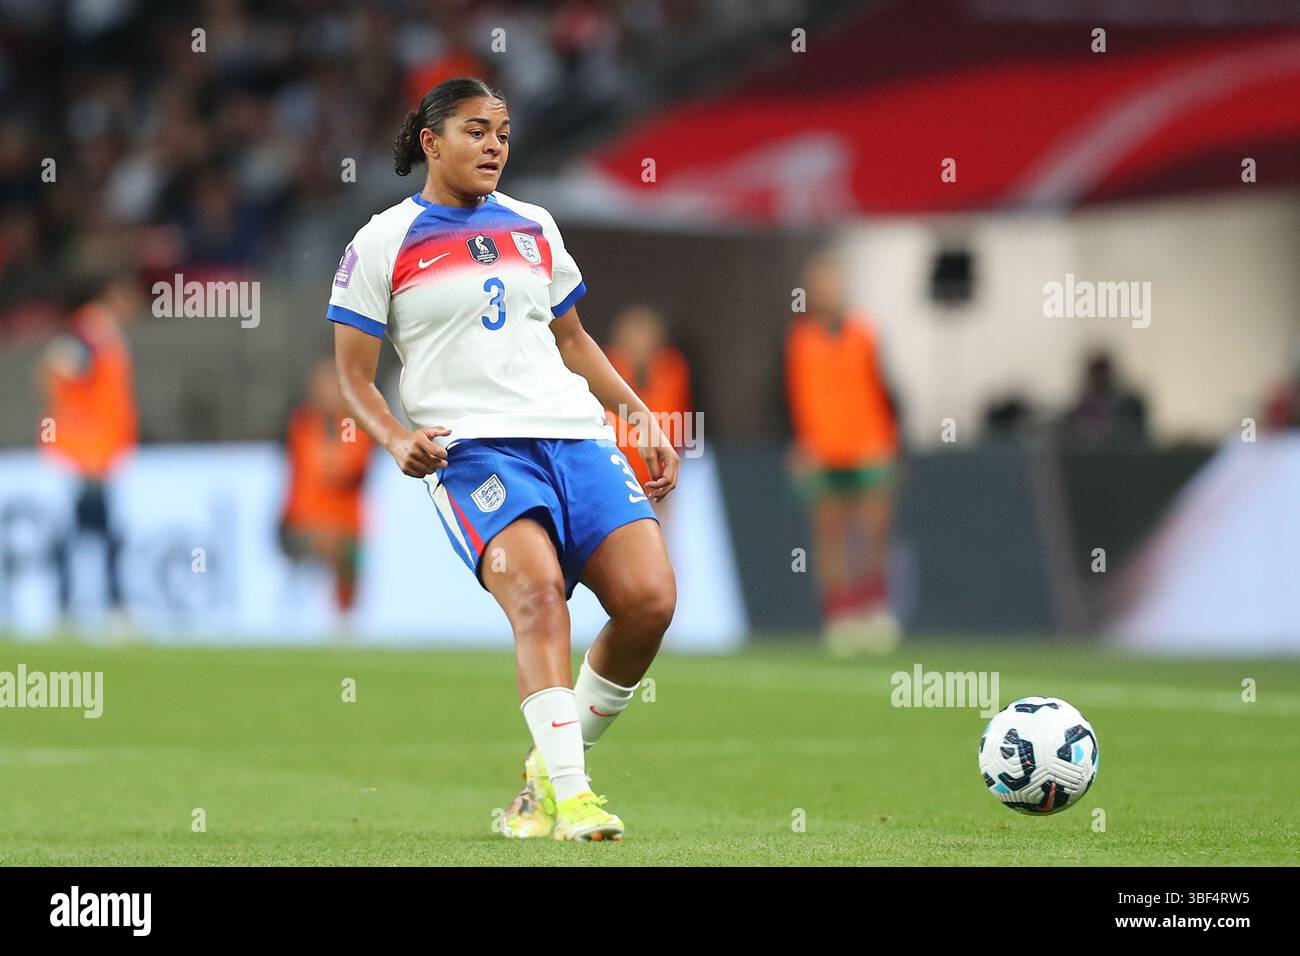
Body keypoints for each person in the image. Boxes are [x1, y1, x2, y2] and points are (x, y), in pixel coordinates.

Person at [329, 78, 678, 842]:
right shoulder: (382, 240)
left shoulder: (535, 224)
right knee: (539, 596)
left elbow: (573, 339)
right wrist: (394, 438)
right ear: (431, 141)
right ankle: (574, 796)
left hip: (574, 435)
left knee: (650, 600)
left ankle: (546, 770)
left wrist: (637, 413)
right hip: (474, 450)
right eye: (477, 131)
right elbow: (352, 377)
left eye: (504, 133)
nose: (494, 146)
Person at [785, 249, 900, 655]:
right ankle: (840, 615)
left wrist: (887, 444)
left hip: (868, 446)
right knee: (830, 535)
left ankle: (874, 607)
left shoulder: (864, 334)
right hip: (823, 450)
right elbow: (796, 398)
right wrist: (802, 446)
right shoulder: (801, 340)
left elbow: (885, 390)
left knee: (872, 533)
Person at [38, 275, 140, 632]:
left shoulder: (102, 332)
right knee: (95, 532)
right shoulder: (93, 330)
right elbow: (60, 360)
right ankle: (102, 608)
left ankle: (73, 607)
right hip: (84, 453)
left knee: (88, 531)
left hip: (98, 451)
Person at [279, 358, 373, 620]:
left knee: (346, 553)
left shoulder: (351, 424)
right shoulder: (303, 423)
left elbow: (349, 465)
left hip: (347, 526)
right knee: (318, 543)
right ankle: (302, 615)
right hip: (305, 522)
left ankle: (343, 619)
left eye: (333, 384)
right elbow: (314, 464)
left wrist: (329, 462)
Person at [603, 304, 692, 516]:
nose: (639, 342)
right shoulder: (606, 369)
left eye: (644, 334)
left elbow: (677, 424)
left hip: (659, 481)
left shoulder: (671, 370)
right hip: (614, 480)